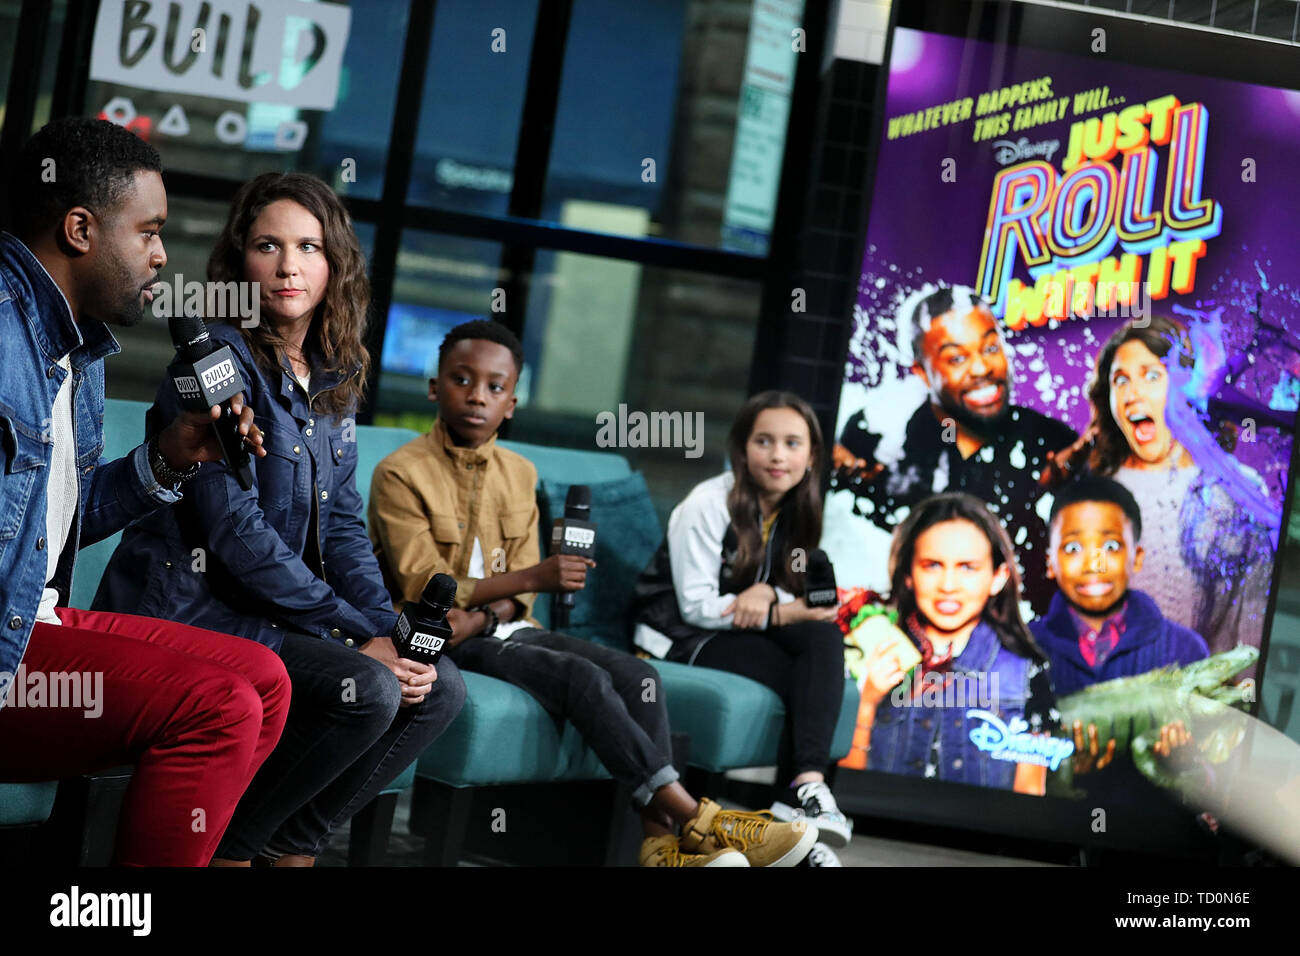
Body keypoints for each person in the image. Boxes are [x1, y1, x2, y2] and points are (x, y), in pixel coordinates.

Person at [93, 172, 465, 867]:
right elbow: (238, 538)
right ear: (240, 261)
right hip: (200, 612)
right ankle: (234, 849)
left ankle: (290, 847)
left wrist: (386, 625)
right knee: (368, 690)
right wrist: (353, 633)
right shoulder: (205, 368)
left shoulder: (331, 371)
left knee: (439, 686)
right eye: (269, 245)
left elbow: (345, 524)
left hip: (280, 616)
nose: (289, 265)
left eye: (309, 247)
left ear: (335, 264)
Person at [368, 320, 814, 867]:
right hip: (438, 638)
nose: (478, 396)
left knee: (640, 677)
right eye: (462, 380)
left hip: (495, 626)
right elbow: (426, 584)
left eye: (495, 386)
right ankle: (699, 817)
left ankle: (657, 846)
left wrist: (501, 604)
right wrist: (531, 582)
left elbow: (521, 596)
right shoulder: (400, 473)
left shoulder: (519, 471)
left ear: (511, 401)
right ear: (435, 387)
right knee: (581, 677)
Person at [0, 117, 289, 866]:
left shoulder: (77, 344)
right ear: (80, 228)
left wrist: (170, 454)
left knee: (264, 680)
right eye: (150, 233)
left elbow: (48, 523)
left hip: (32, 623)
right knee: (219, 708)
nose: (162, 258)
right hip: (6, 658)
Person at [632, 390, 855, 849]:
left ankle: (805, 790)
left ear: (812, 456)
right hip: (679, 635)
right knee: (800, 673)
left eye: (793, 444)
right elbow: (694, 605)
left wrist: (767, 592)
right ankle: (801, 830)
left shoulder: (797, 507)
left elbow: (790, 583)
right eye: (764, 441)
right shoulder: (706, 504)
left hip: (732, 626)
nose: (778, 456)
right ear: (741, 449)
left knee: (822, 639)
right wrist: (781, 610)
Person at [829, 285, 1077, 614]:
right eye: (957, 358)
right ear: (921, 372)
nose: (981, 368)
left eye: (990, 347)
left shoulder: (1050, 442)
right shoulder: (877, 440)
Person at [1081, 316, 1275, 657]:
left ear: (1189, 383)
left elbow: (1251, 636)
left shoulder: (1237, 492)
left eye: (1152, 375)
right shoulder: (1093, 494)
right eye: (1120, 380)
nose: (1132, 394)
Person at [849, 493, 1062, 793]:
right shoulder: (872, 648)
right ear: (909, 573)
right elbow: (847, 788)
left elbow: (1028, 798)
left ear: (998, 577)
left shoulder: (1027, 669)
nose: (948, 586)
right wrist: (867, 701)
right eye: (932, 565)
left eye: (967, 567)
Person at [1031, 475, 1208, 697]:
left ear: (1137, 557)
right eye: (1073, 548)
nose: (1093, 565)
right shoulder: (1021, 649)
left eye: (1111, 546)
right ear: (1050, 562)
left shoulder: (1183, 649)